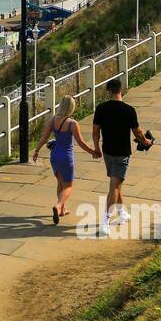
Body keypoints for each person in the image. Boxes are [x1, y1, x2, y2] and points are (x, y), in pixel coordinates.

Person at [92, 79, 152, 228]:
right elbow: (137, 132)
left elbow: (95, 132)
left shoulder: (101, 108)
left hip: (107, 151)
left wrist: (96, 148)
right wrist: (146, 141)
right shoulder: (129, 110)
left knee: (116, 183)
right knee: (114, 187)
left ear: (108, 91)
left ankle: (122, 213)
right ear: (121, 90)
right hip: (122, 153)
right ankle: (105, 221)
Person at [33, 96, 98, 225]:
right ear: (71, 108)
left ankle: (62, 210)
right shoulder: (72, 123)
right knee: (68, 186)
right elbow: (81, 143)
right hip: (66, 156)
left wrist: (37, 150)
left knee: (60, 182)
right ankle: (58, 205)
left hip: (54, 155)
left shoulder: (53, 120)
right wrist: (93, 152)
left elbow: (44, 137)